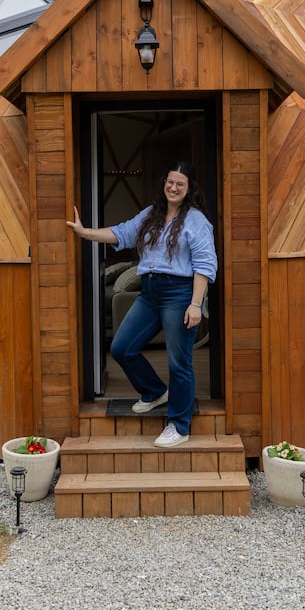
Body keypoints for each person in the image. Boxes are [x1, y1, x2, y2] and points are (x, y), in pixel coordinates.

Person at [67, 161, 217, 448]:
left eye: (180, 184)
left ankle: (179, 425)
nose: (173, 188)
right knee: (122, 348)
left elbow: (205, 266)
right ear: (164, 183)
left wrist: (196, 304)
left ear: (189, 189)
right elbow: (122, 233)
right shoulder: (151, 214)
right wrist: (85, 233)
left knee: (179, 362)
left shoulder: (196, 221)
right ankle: (154, 392)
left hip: (179, 292)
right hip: (149, 293)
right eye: (170, 182)